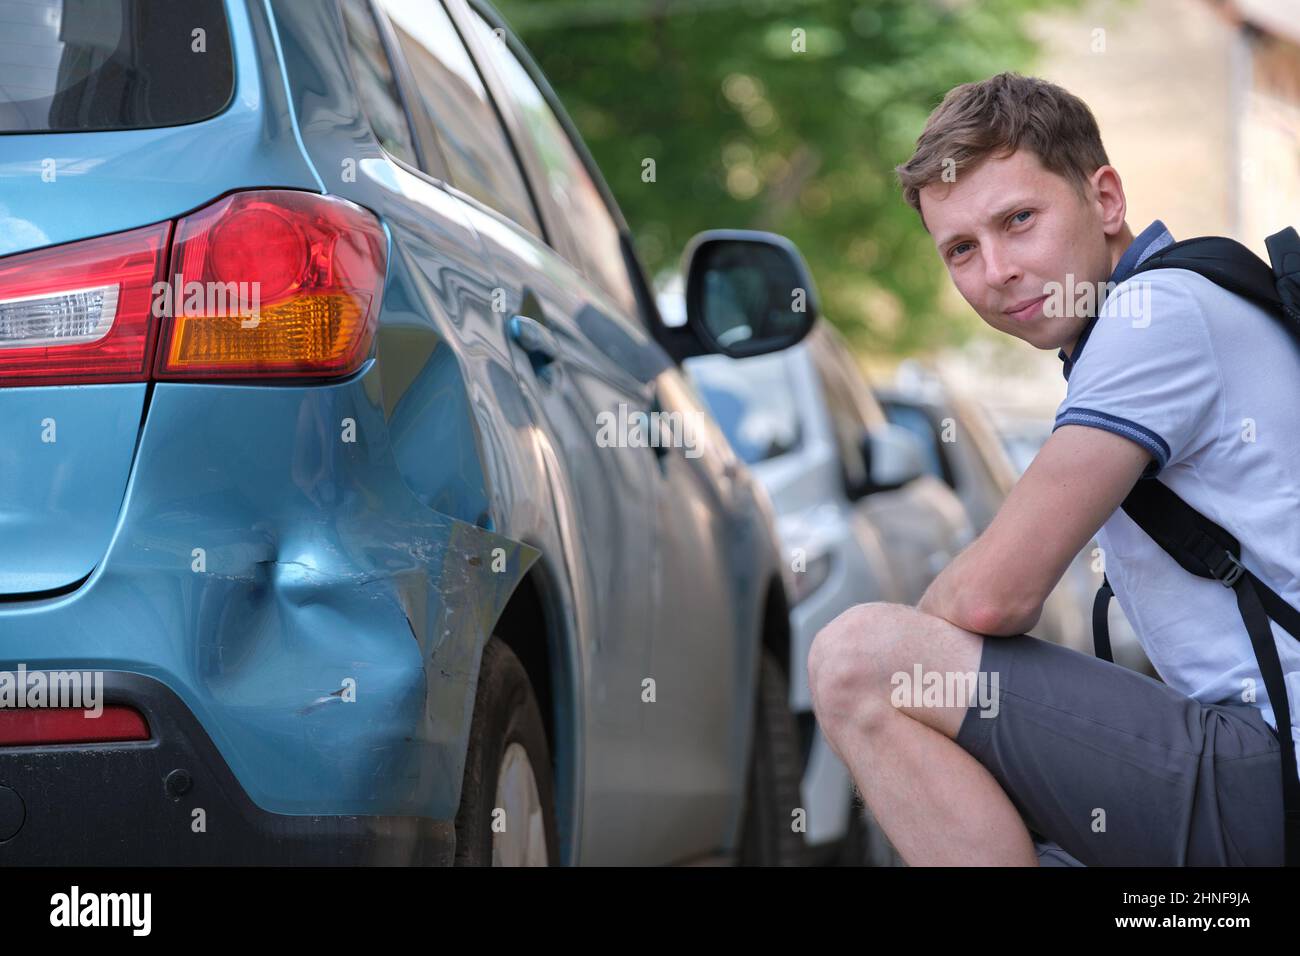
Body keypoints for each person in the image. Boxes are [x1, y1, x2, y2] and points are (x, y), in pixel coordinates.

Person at [807, 72, 1300, 866]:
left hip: (1273, 773)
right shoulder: (1179, 302)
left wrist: (916, 652)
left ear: (1105, 199)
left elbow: (997, 594)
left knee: (861, 661)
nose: (996, 270)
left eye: (1018, 220)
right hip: (1255, 768)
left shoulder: (1152, 316)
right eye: (962, 249)